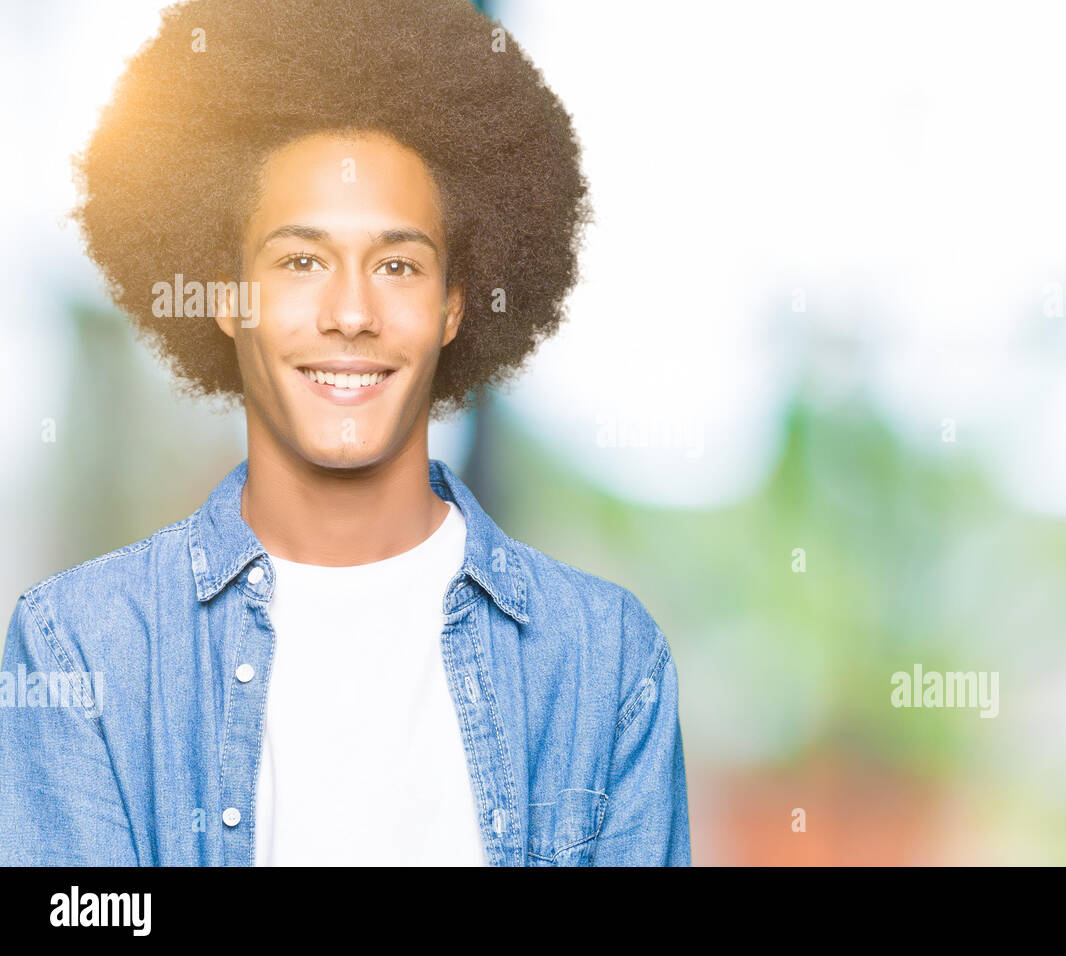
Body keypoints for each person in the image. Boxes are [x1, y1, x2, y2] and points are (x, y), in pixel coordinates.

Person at [0, 0, 689, 866]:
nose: (352, 312)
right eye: (301, 261)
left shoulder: (604, 661)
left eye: (398, 265)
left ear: (452, 306)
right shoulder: (81, 650)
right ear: (225, 295)